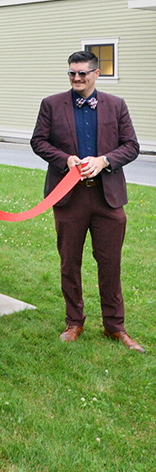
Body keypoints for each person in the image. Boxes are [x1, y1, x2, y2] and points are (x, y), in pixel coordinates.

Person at [30, 50, 143, 352]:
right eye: (72, 73)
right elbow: (38, 142)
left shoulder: (116, 106)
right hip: (69, 197)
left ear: (96, 73)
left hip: (108, 198)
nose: (77, 78)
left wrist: (105, 160)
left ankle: (114, 326)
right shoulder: (51, 105)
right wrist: (64, 159)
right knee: (70, 262)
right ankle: (74, 322)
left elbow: (131, 146)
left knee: (110, 263)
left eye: (82, 73)